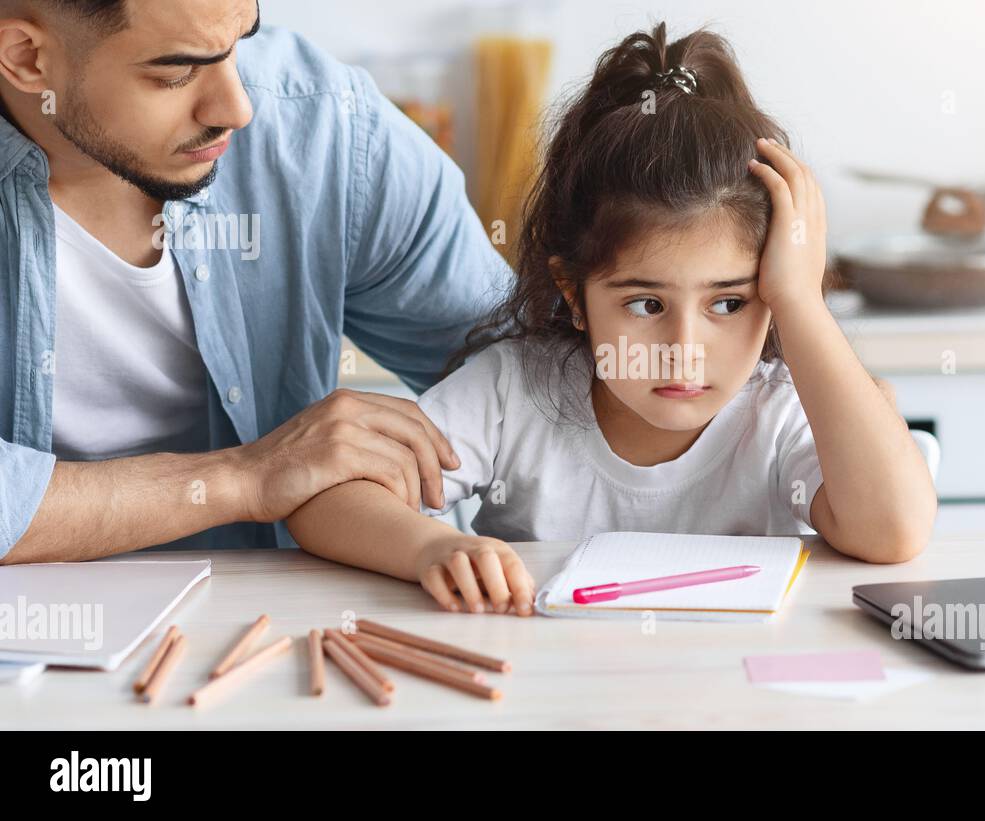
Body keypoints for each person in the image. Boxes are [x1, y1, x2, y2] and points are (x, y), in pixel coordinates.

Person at [286, 23, 938, 617]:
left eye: (729, 303)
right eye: (646, 304)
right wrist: (430, 546)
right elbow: (326, 497)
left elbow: (893, 529)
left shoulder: (779, 413)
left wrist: (802, 302)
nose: (685, 350)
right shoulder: (515, 392)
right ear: (573, 292)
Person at [0, 0, 511, 563]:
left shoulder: (324, 125)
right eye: (176, 73)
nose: (237, 108)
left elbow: (530, 374)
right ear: (26, 58)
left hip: (282, 617)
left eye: (240, 40)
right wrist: (246, 479)